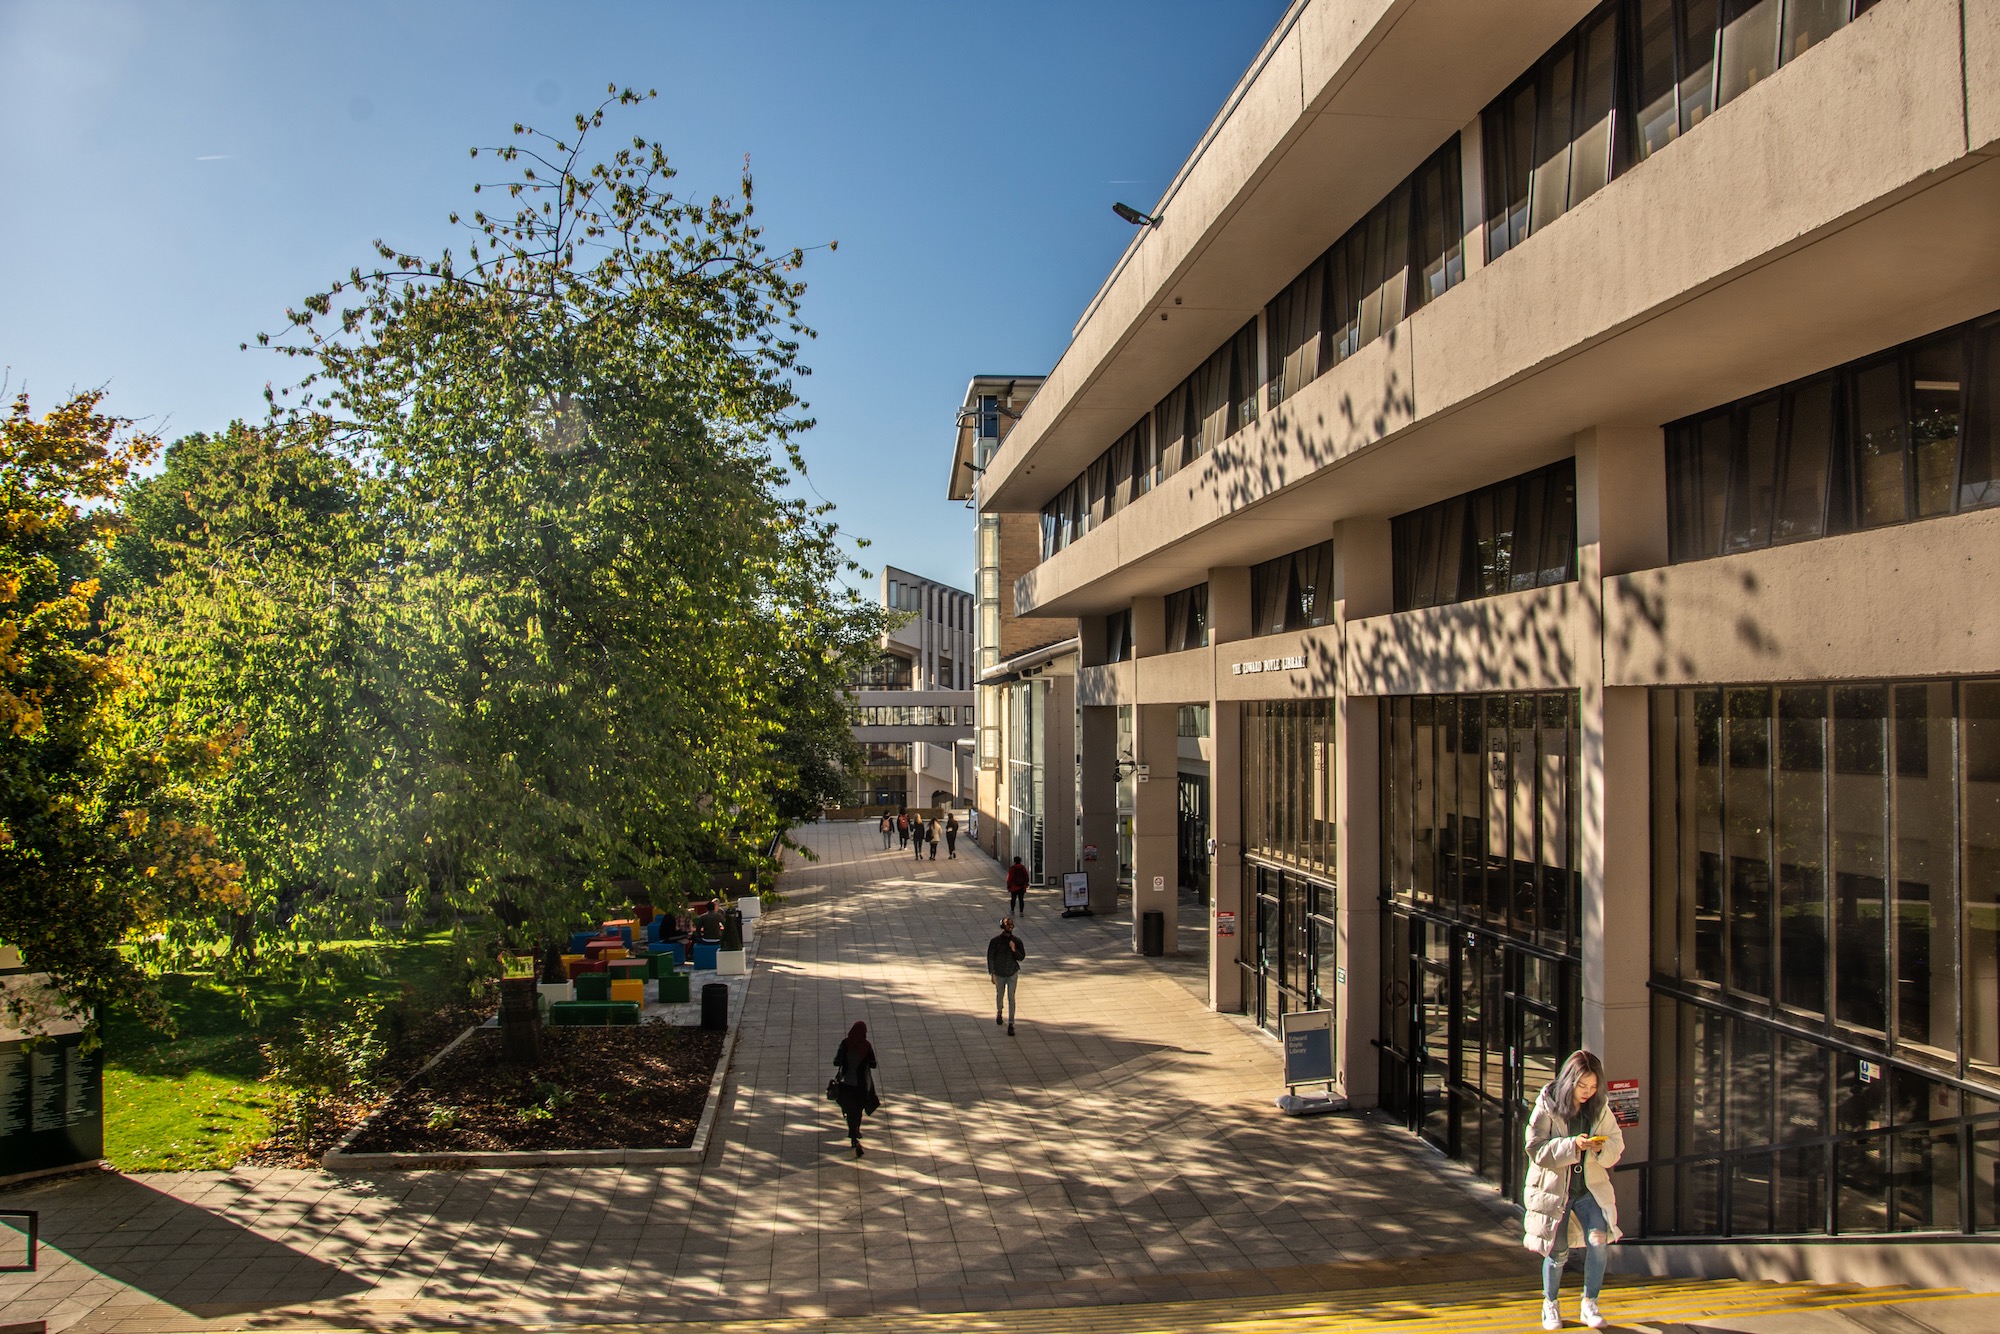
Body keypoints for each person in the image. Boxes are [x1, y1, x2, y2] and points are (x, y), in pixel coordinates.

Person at [1524, 1050, 1623, 1330]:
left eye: (1593, 1086)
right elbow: (1535, 1148)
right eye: (1582, 1086)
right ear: (1569, 1082)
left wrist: (1601, 1147)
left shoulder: (1599, 1106)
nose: (1588, 1092)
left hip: (1589, 1189)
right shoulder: (1548, 1103)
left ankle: (1590, 1303)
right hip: (1556, 1191)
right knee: (1558, 1253)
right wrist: (1572, 1145)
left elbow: (1616, 1142)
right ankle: (1550, 1303)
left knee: (1599, 1241)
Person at [830, 1020, 880, 1158]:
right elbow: (873, 1064)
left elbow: (837, 1062)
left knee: (849, 1109)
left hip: (846, 1083)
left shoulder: (845, 1044)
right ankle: (855, 1131)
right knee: (858, 1110)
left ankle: (853, 1133)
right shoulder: (867, 1046)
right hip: (861, 1085)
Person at [986, 917, 1026, 1035]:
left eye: (1011, 925)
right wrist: (992, 973)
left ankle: (1011, 1023)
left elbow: (1021, 957)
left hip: (1012, 972)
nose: (1010, 927)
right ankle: (999, 1011)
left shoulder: (1016, 941)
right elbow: (991, 957)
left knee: (1011, 997)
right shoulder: (995, 941)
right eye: (1007, 925)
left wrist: (1014, 950)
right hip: (999, 973)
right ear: (1003, 926)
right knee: (1000, 995)